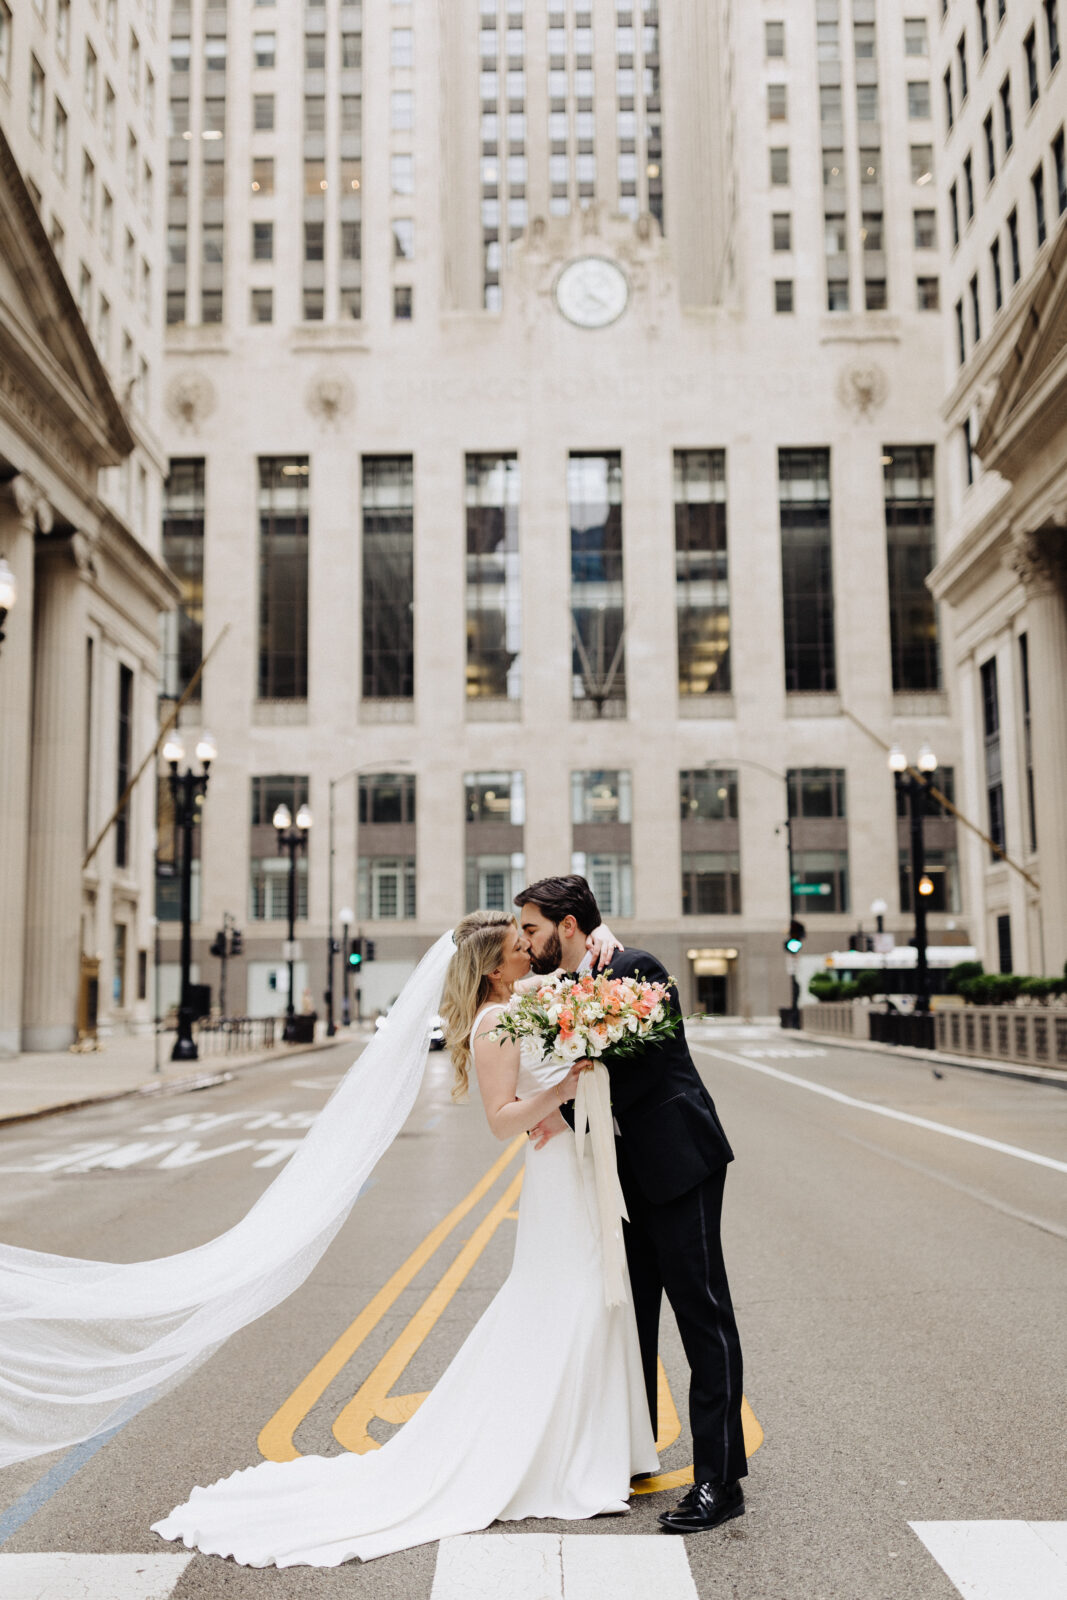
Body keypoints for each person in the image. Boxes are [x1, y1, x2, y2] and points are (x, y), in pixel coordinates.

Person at [150, 910, 658, 1567]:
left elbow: (576, 979)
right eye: (514, 947)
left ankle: (597, 1447)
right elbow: (503, 1122)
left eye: (525, 939)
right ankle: (571, 1453)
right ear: (490, 967)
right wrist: (560, 1091)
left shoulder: (521, 1000)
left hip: (573, 1170)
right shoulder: (491, 1022)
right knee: (574, 1298)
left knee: (588, 1298)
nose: (527, 951)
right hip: (554, 1176)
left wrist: (602, 954)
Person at [517, 875, 747, 1535]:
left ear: (566, 925)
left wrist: (566, 1070)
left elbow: (631, 1063)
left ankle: (719, 1480)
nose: (526, 941)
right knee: (632, 1313)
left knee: (702, 1315)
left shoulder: (633, 968)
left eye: (532, 927)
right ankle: (631, 1452)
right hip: (619, 1176)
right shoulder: (560, 990)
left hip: (678, 1162)